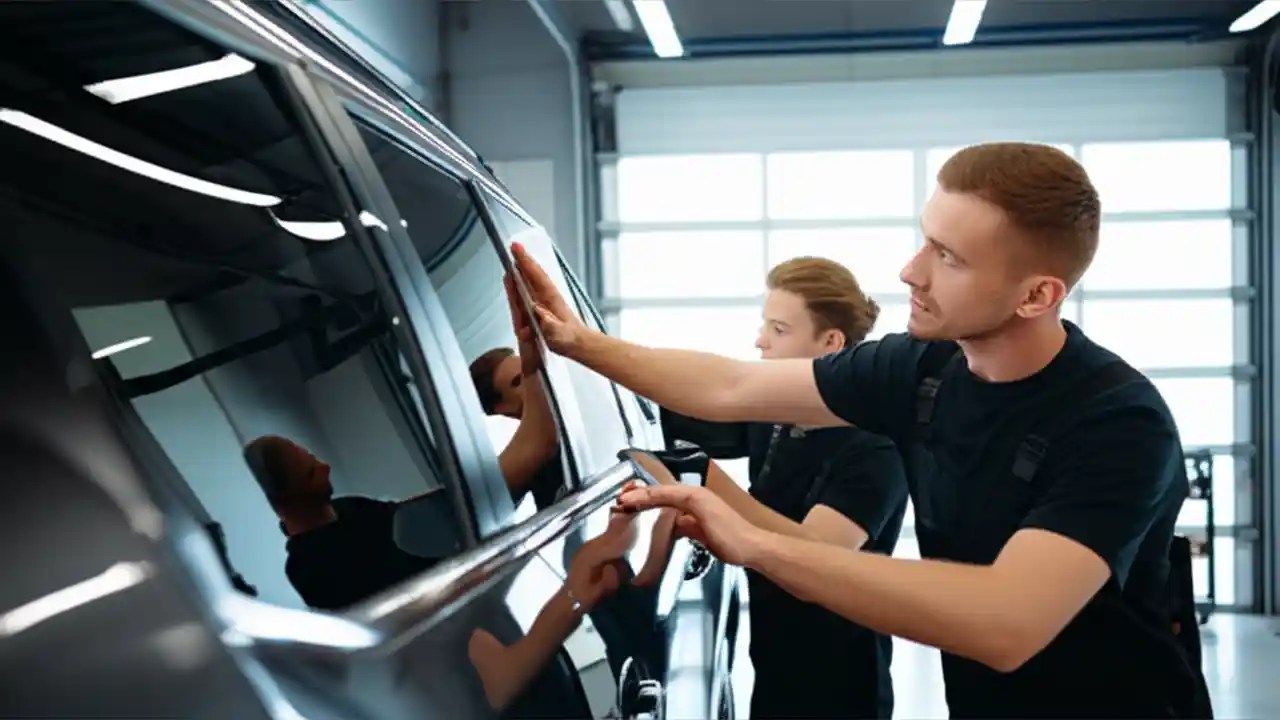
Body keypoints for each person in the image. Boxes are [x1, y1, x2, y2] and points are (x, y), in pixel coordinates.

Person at [510, 142, 1210, 718]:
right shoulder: (922, 369)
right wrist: (576, 343)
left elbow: (1006, 622)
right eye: (925, 241)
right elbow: (732, 387)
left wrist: (753, 542)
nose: (911, 272)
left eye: (948, 257)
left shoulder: (1119, 424)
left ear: (1036, 295)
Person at [661, 257, 907, 719]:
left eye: (778, 330)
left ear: (831, 343)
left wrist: (708, 484)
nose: (760, 340)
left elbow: (816, 553)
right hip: (774, 664)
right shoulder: (775, 415)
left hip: (841, 684)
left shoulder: (875, 447)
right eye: (764, 325)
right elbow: (680, 414)